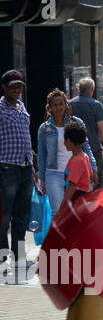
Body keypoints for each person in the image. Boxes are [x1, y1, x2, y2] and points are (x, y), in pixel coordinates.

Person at [0, 69, 35, 282]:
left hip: (25, 168)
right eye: (13, 86)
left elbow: (25, 138)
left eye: (19, 86)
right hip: (6, 168)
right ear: (4, 88)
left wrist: (33, 166)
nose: (17, 89)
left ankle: (19, 260)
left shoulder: (22, 108)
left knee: (22, 218)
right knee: (4, 218)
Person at [36, 88, 88, 218]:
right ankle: (57, 238)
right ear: (50, 107)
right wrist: (42, 180)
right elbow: (41, 156)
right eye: (55, 104)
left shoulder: (76, 123)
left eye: (61, 104)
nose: (58, 107)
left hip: (74, 171)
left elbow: (86, 146)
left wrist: (92, 167)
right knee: (57, 211)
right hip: (53, 173)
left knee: (74, 210)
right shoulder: (44, 128)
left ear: (66, 105)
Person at [68, 76, 103, 188]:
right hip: (94, 149)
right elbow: (102, 129)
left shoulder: (70, 104)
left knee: (76, 184)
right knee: (98, 185)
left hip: (74, 150)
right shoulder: (96, 105)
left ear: (79, 89)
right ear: (92, 90)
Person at [61, 118, 94, 196]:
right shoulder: (85, 157)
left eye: (65, 139)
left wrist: (64, 204)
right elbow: (90, 176)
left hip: (76, 200)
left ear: (69, 141)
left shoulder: (76, 161)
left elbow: (71, 186)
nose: (64, 142)